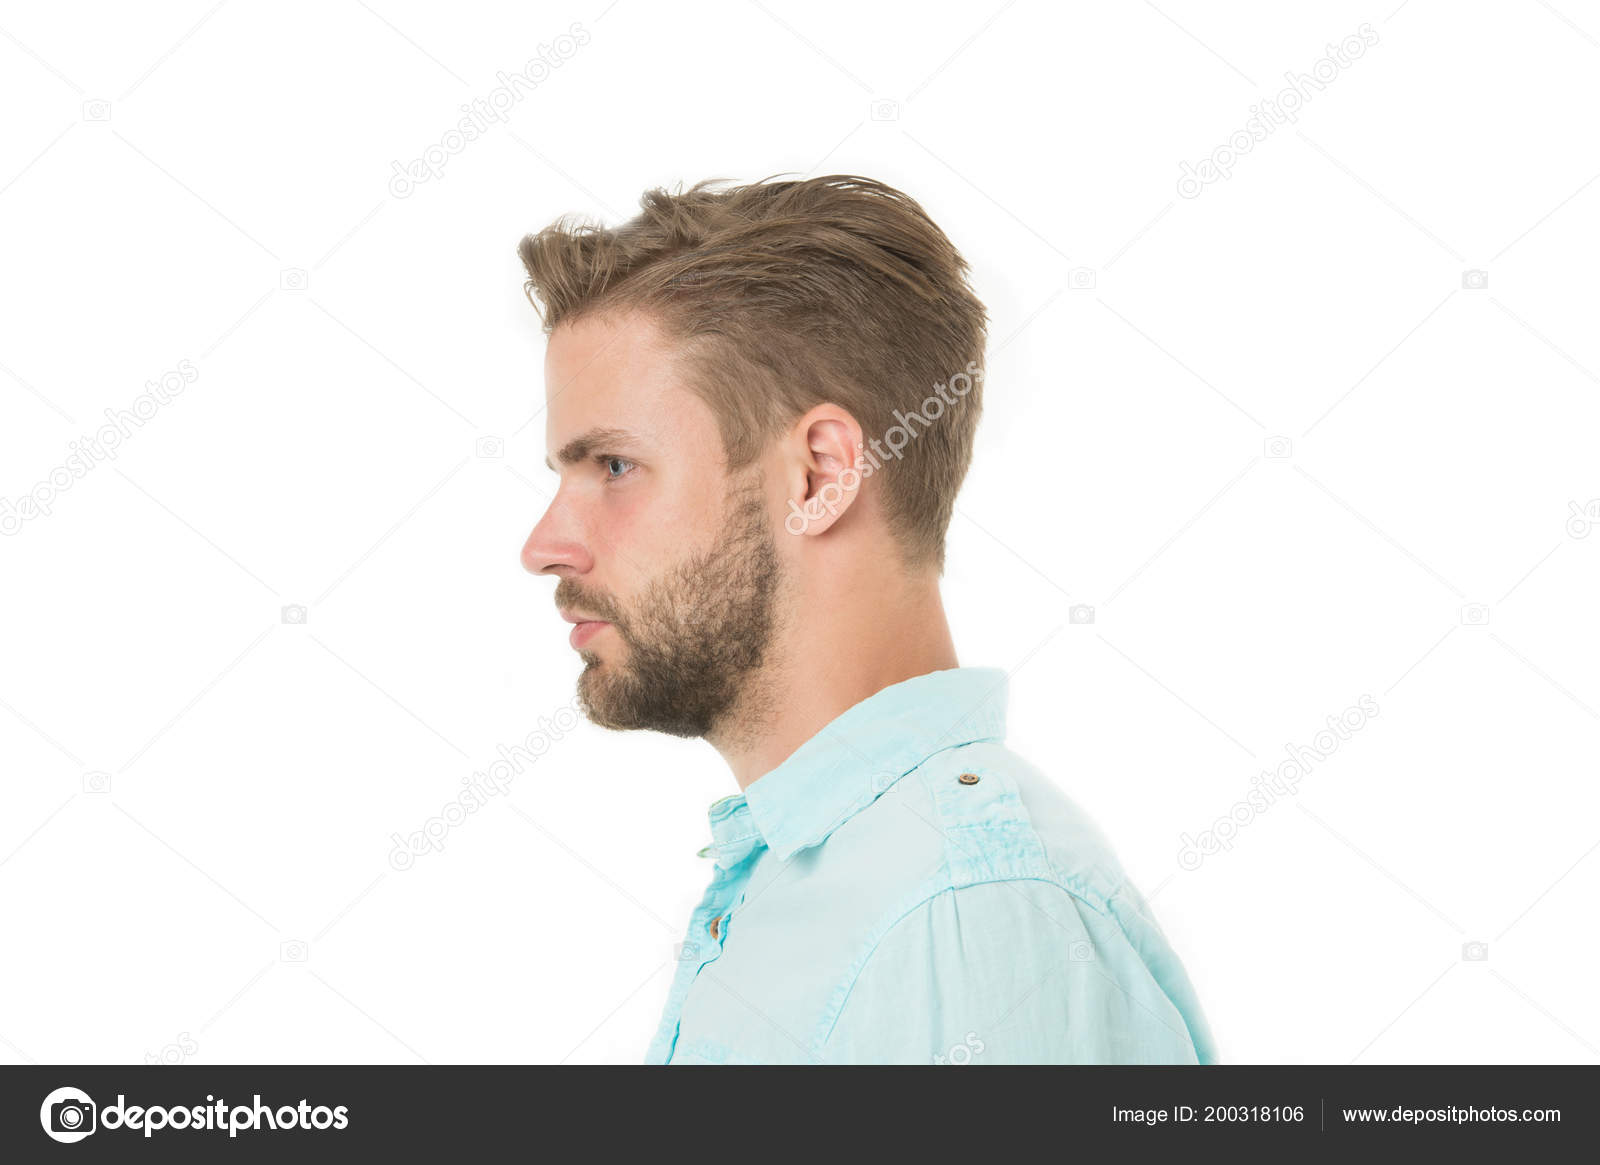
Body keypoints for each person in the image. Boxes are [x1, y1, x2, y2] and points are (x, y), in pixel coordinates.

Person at [517, 175, 1216, 1064]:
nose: (545, 544)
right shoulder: (830, 885)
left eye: (614, 466)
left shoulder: (958, 914)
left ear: (819, 474)